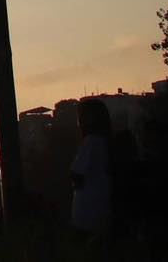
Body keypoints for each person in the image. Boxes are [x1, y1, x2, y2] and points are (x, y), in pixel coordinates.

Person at [71, 98, 114, 241]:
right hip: (101, 206)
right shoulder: (103, 141)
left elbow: (77, 174)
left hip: (88, 210)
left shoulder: (90, 142)